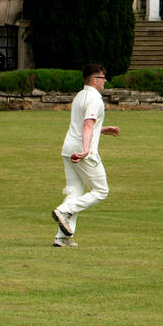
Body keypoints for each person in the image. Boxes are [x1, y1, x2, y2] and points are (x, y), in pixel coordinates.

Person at [50, 64, 120, 247]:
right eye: (102, 78)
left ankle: (62, 238)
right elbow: (88, 125)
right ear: (94, 80)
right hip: (82, 151)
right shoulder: (94, 99)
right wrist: (86, 150)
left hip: (68, 148)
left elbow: (87, 125)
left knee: (75, 192)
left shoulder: (80, 95)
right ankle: (64, 210)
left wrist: (102, 129)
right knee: (101, 191)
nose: (105, 81)